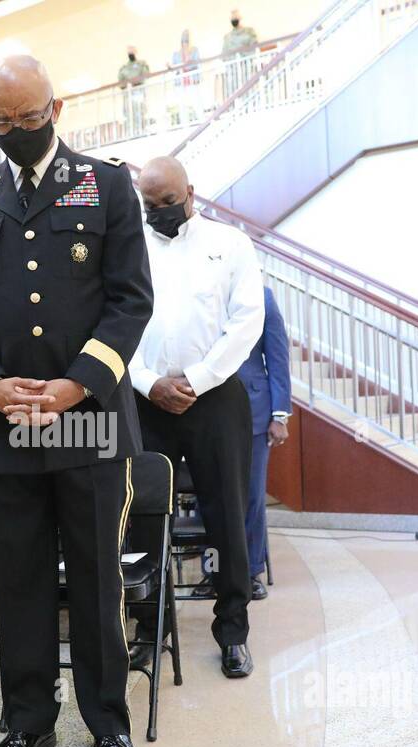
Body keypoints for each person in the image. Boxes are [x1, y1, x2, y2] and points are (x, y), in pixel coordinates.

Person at [0, 55, 154, 747]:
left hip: (86, 420)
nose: (14, 133)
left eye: (27, 119)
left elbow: (130, 301)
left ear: (55, 110)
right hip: (8, 425)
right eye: (0, 121)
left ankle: (107, 726)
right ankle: (27, 724)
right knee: (23, 581)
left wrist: (75, 386)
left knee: (95, 578)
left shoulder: (108, 183)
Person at [129, 155, 263, 679]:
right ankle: (148, 630)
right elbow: (116, 320)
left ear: (191, 192)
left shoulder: (229, 244)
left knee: (226, 516)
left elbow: (246, 320)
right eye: (150, 205)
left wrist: (199, 379)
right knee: (143, 520)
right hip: (147, 399)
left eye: (168, 202)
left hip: (216, 398)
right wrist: (148, 382)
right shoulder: (130, 247)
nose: (160, 212)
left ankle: (233, 632)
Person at [238, 285, 291, 600]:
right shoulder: (204, 288)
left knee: (252, 495)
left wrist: (280, 415)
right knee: (209, 496)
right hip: (206, 407)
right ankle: (212, 569)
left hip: (255, 410)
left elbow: (277, 357)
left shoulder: (262, 296)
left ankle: (250, 571)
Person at [222, 8, 260, 98]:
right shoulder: (227, 37)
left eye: (235, 17)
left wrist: (244, 54)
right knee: (234, 93)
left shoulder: (249, 32)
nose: (234, 19)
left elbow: (254, 46)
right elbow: (224, 54)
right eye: (232, 17)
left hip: (246, 66)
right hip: (233, 70)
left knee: (248, 90)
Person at [169, 29, 204, 126]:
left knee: (197, 102)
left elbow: (197, 63)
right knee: (182, 104)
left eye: (186, 40)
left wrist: (189, 62)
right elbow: (174, 67)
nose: (185, 43)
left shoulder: (194, 50)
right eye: (183, 41)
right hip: (181, 82)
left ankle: (202, 121)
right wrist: (170, 67)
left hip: (192, 80)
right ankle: (185, 124)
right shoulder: (176, 54)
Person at [117, 46, 150, 134]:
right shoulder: (124, 68)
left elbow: (146, 74)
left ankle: (141, 130)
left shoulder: (141, 64)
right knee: (128, 113)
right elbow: (121, 82)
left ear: (135, 52)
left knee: (140, 111)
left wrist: (136, 82)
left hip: (138, 91)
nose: (130, 53)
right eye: (129, 52)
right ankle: (130, 132)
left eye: (132, 51)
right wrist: (126, 85)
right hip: (128, 93)